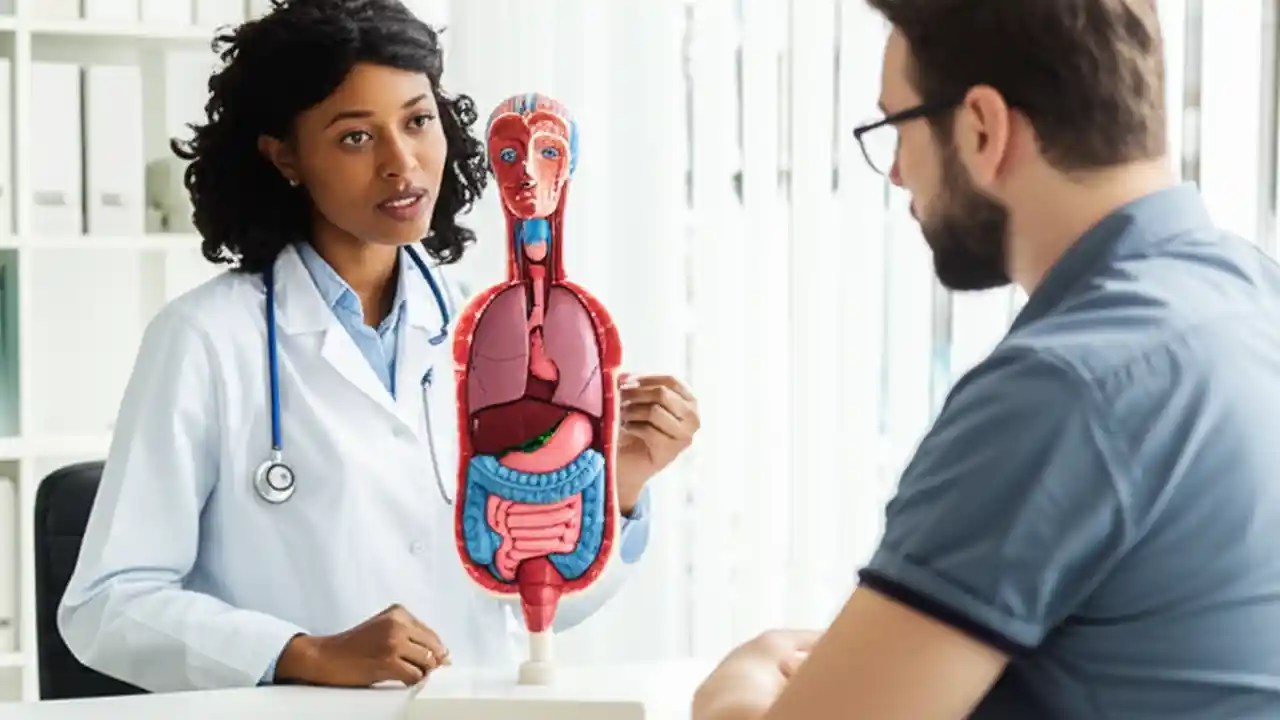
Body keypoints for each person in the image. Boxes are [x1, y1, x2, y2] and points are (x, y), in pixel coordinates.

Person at [57, 0, 700, 693]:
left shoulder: (493, 333)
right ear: (285, 158)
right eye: (356, 138)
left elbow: (533, 603)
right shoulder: (207, 339)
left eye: (418, 121)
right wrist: (302, 652)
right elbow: (108, 605)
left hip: (468, 708)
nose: (402, 163)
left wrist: (622, 482)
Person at [693, 1, 1280, 718]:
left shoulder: (1065, 387)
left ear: (981, 127)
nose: (898, 175)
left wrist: (736, 689)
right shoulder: (1252, 301)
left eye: (896, 127)